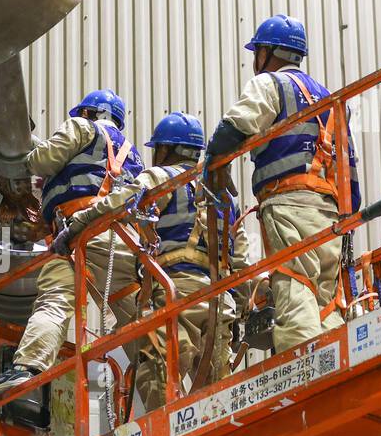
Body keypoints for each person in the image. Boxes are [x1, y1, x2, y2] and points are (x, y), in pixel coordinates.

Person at [0, 89, 144, 407]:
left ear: (89, 112)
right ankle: (161, 383)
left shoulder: (81, 127)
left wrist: (18, 162)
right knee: (136, 320)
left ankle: (28, 367)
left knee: (54, 303)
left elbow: (42, 160)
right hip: (121, 242)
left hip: (78, 234)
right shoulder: (133, 155)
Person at [69, 113, 249, 412]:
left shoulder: (162, 177)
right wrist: (240, 306)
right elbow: (241, 260)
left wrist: (76, 227)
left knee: (158, 378)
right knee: (217, 393)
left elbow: (117, 203)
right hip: (221, 303)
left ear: (165, 150)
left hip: (178, 296)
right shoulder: (225, 195)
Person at [203, 15, 360, 352]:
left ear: (267, 52)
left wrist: (214, 167)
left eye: (257, 52)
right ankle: (336, 360)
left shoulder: (270, 84)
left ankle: (305, 372)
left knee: (295, 285)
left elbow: (232, 129)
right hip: (329, 213)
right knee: (325, 297)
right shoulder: (332, 102)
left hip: (288, 204)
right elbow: (350, 173)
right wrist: (346, 220)